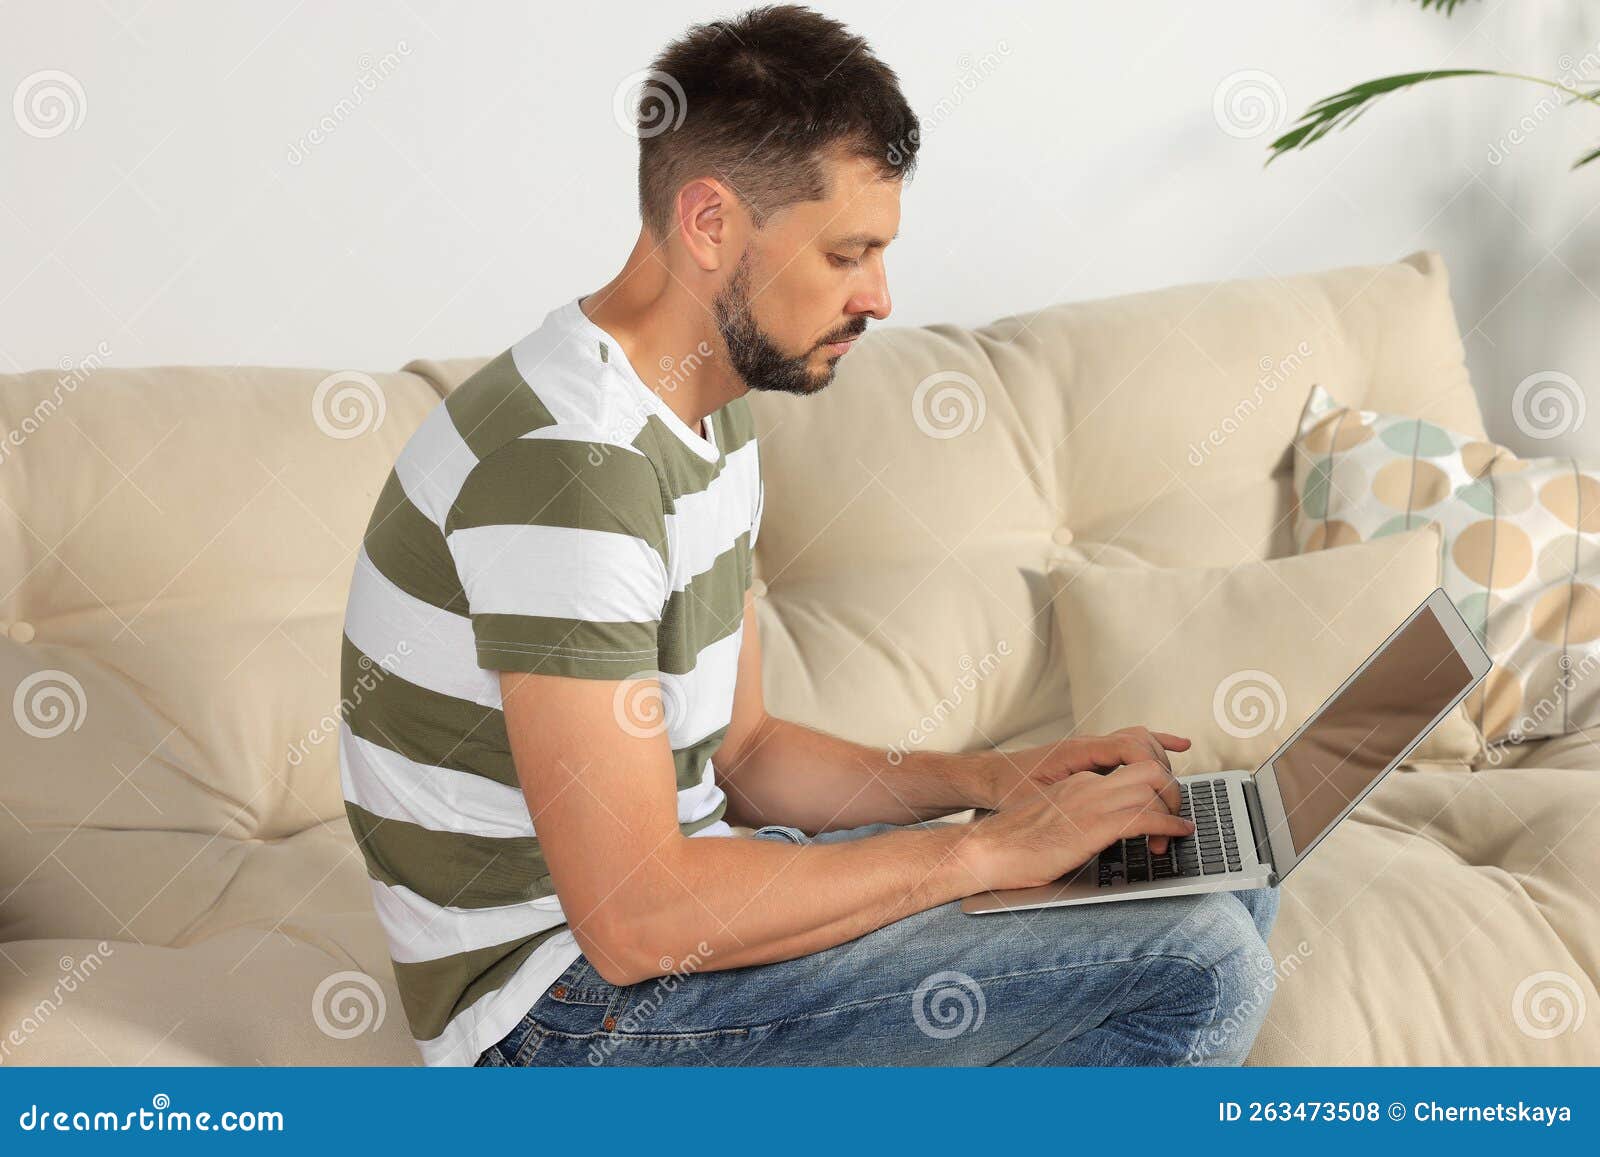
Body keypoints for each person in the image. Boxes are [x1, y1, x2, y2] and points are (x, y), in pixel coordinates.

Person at [338, 3, 1279, 1068]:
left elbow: (745, 755)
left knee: (1204, 869)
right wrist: (979, 855)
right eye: (846, 253)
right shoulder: (567, 468)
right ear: (710, 224)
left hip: (669, 920)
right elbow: (634, 917)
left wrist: (997, 783)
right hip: (555, 1017)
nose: (880, 296)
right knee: (1200, 959)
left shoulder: (706, 407)